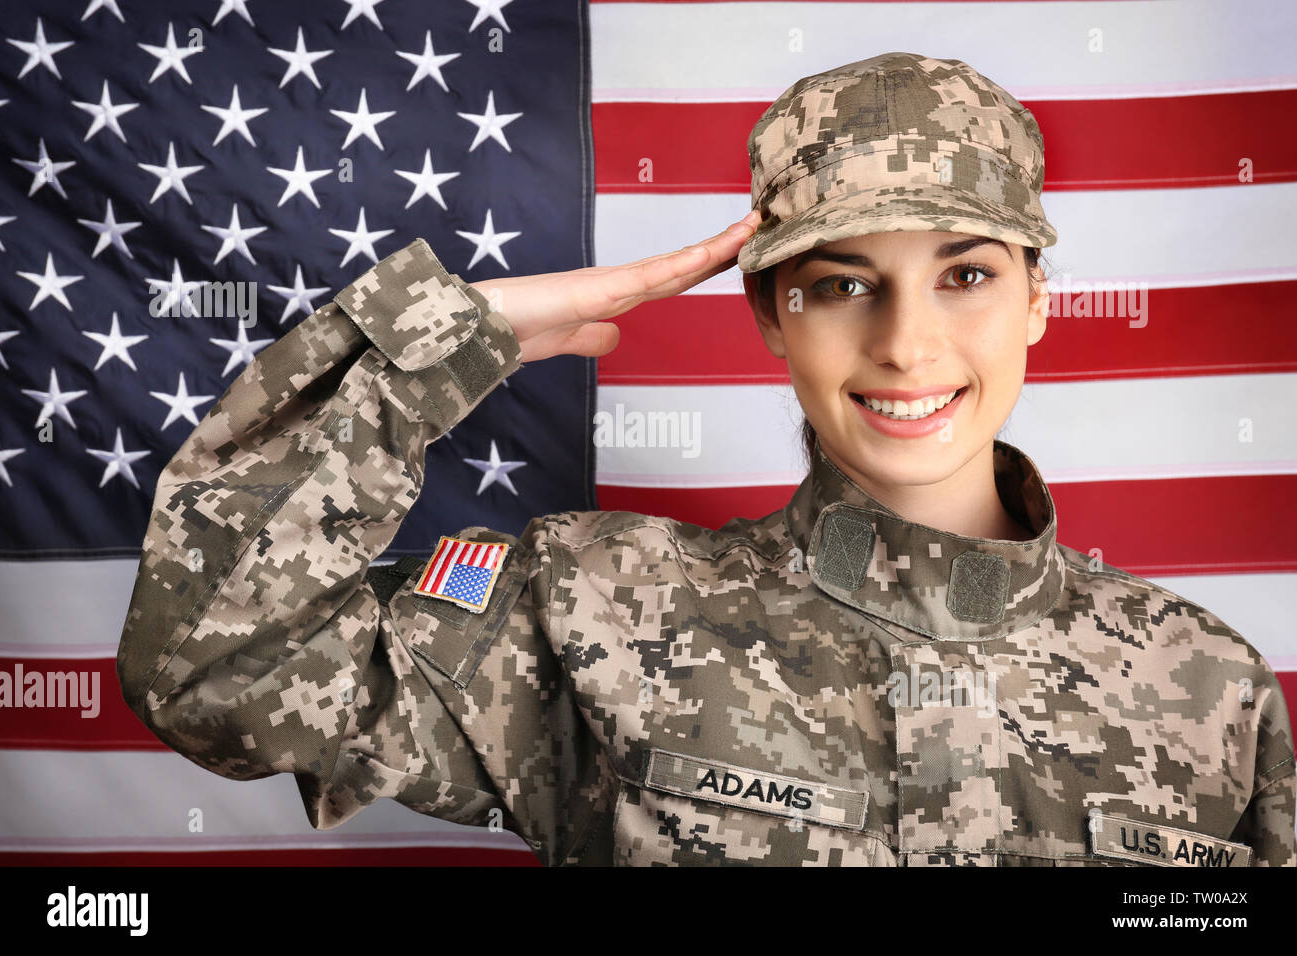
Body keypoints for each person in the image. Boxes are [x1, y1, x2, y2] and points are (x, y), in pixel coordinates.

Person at [115, 51, 1294, 866]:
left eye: (966, 273)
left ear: (1039, 296)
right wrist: (439, 343)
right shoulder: (595, 606)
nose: (904, 343)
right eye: (841, 283)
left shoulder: (1206, 686)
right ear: (773, 315)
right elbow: (218, 668)